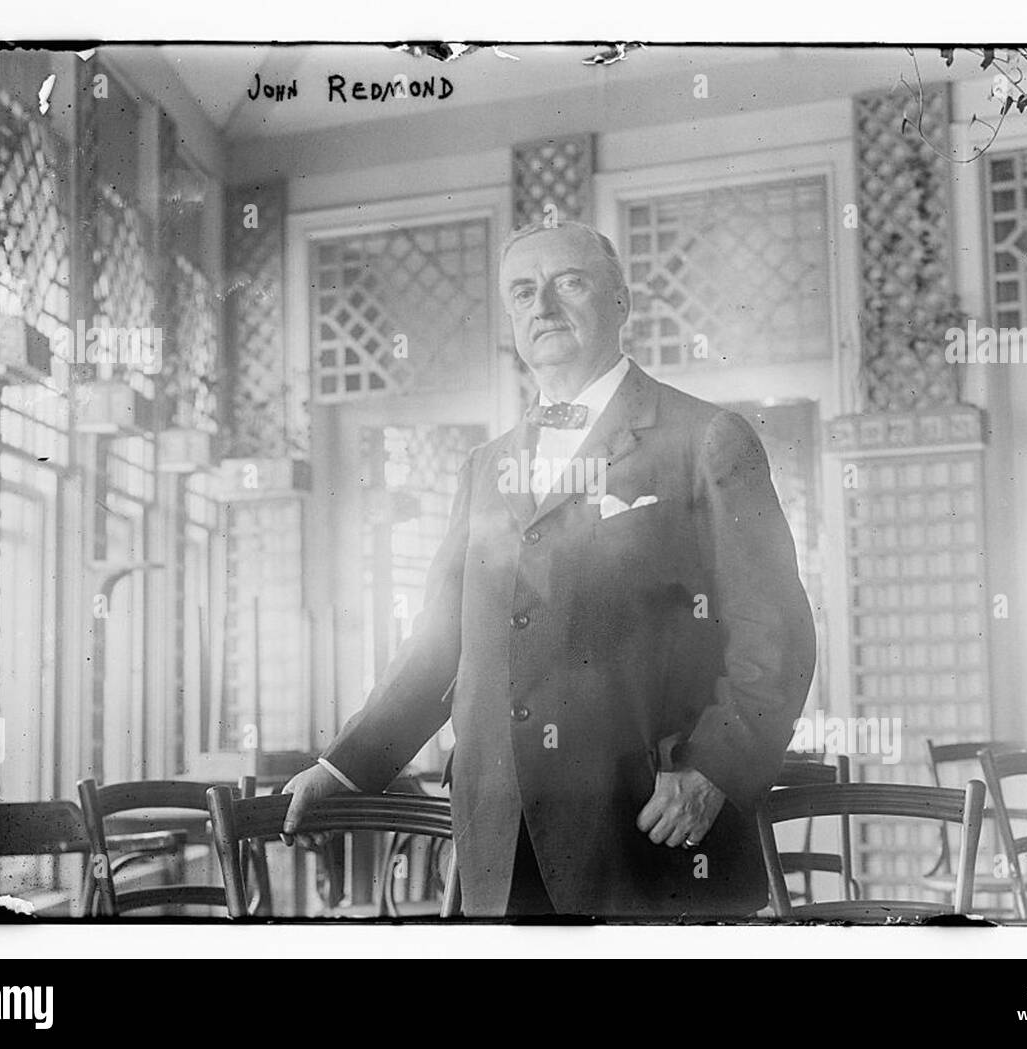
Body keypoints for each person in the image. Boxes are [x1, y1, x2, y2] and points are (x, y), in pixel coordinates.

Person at [282, 220, 816, 918]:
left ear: (621, 302)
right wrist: (341, 767)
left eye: (569, 283)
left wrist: (712, 768)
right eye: (523, 292)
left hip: (649, 834)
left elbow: (774, 633)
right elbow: (439, 646)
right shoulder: (485, 467)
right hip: (500, 837)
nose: (544, 306)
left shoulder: (707, 438)